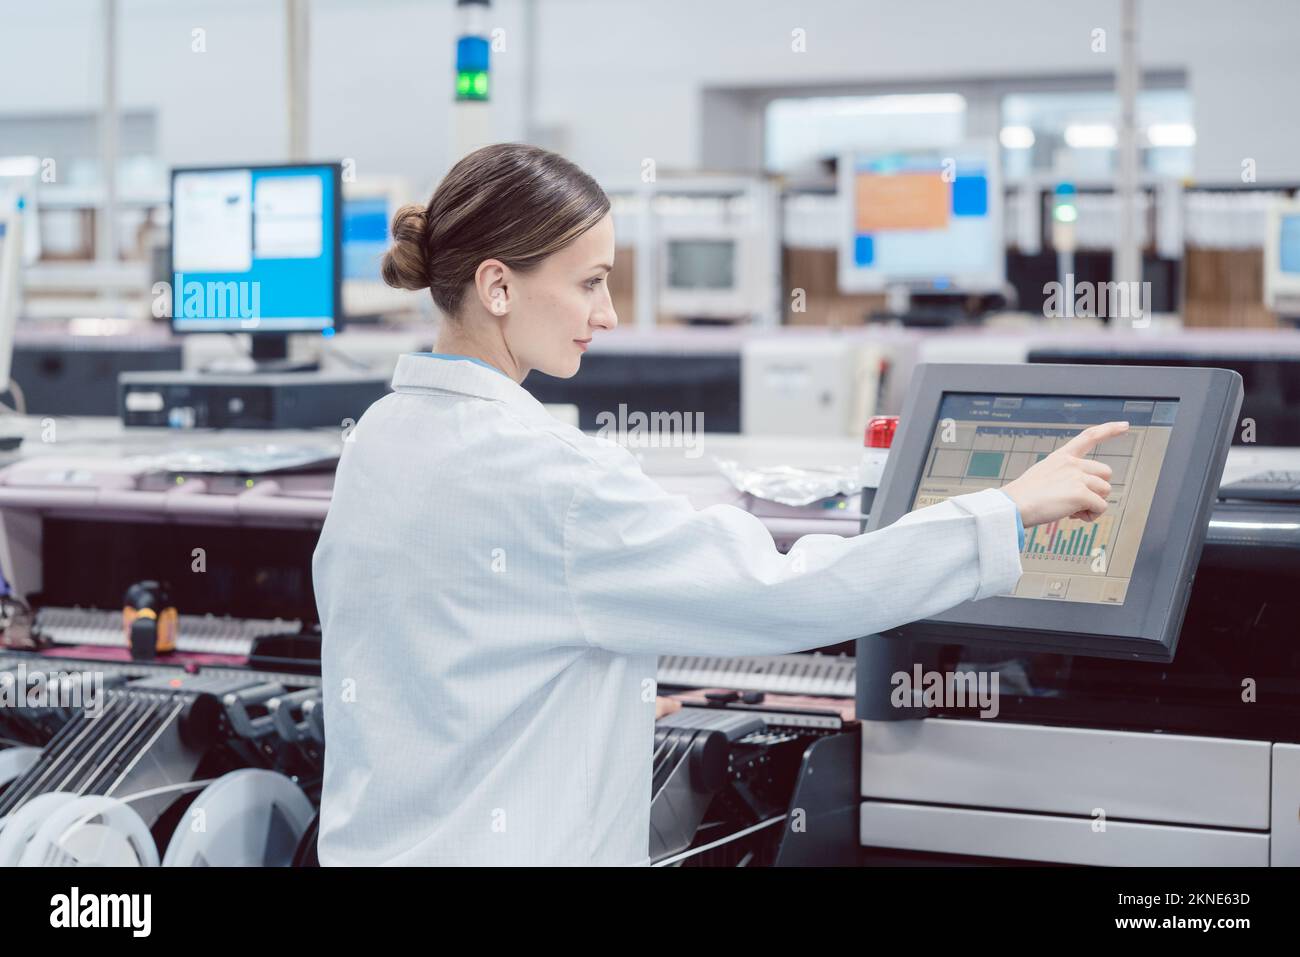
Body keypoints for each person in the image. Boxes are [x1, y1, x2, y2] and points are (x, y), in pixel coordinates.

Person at [311, 142, 1124, 866]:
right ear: (497, 285)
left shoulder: (378, 436)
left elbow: (441, 660)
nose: (607, 314)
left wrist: (598, 704)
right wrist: (1002, 512)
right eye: (590, 282)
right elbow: (789, 593)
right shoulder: (557, 475)